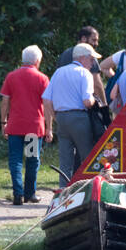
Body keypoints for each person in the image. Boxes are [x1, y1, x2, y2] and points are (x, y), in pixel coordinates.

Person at [43, 42, 100, 187]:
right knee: (87, 156)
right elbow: (87, 101)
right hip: (80, 118)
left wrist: (55, 117)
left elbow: (47, 99)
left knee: (65, 159)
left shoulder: (59, 72)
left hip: (62, 117)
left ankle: (64, 190)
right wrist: (95, 100)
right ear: (82, 58)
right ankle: (89, 188)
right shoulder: (85, 73)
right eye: (91, 59)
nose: (93, 63)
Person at [0, 45, 49, 206]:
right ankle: (30, 193)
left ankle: (17, 193)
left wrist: (3, 122)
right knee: (32, 159)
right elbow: (47, 104)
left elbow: (5, 101)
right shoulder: (42, 78)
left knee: (15, 160)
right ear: (37, 60)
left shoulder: (11, 77)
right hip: (34, 128)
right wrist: (49, 127)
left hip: (15, 126)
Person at [56, 26, 108, 103]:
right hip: (81, 106)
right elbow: (96, 84)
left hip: (62, 104)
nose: (96, 44)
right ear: (83, 38)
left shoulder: (64, 54)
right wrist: (104, 104)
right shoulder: (89, 55)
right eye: (94, 40)